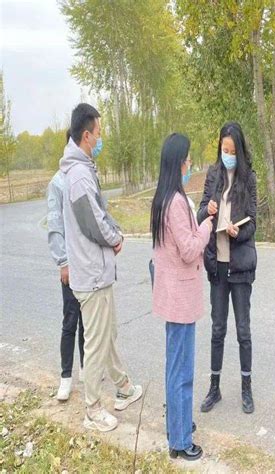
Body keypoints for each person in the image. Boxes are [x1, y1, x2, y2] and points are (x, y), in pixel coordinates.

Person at [60, 103, 142, 432]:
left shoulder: (82, 169)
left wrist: (114, 231)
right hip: (91, 274)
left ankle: (123, 386)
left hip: (97, 272)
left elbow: (101, 213)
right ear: (86, 135)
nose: (100, 139)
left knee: (108, 334)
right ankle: (92, 409)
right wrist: (115, 239)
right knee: (95, 343)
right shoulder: (79, 176)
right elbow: (94, 223)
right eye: (98, 133)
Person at [151, 133, 213, 461]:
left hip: (173, 296)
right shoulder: (175, 201)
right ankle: (180, 440)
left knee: (175, 366)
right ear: (179, 163)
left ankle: (177, 425)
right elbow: (189, 249)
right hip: (180, 299)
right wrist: (206, 227)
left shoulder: (164, 197)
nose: (190, 165)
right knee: (182, 371)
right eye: (188, 159)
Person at [197, 122, 257, 414]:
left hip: (240, 265)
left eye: (232, 151)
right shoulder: (213, 174)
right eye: (224, 149)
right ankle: (214, 387)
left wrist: (238, 232)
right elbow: (200, 214)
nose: (228, 155)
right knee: (217, 329)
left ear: (240, 151)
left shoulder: (249, 179)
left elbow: (253, 222)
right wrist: (206, 210)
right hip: (217, 265)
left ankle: (246, 388)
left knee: (243, 330)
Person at [47, 129, 84, 401]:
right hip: (71, 264)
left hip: (87, 262)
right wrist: (63, 262)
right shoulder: (58, 182)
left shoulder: (85, 175)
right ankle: (66, 377)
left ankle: (87, 370)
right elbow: (55, 224)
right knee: (70, 320)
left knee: (88, 323)